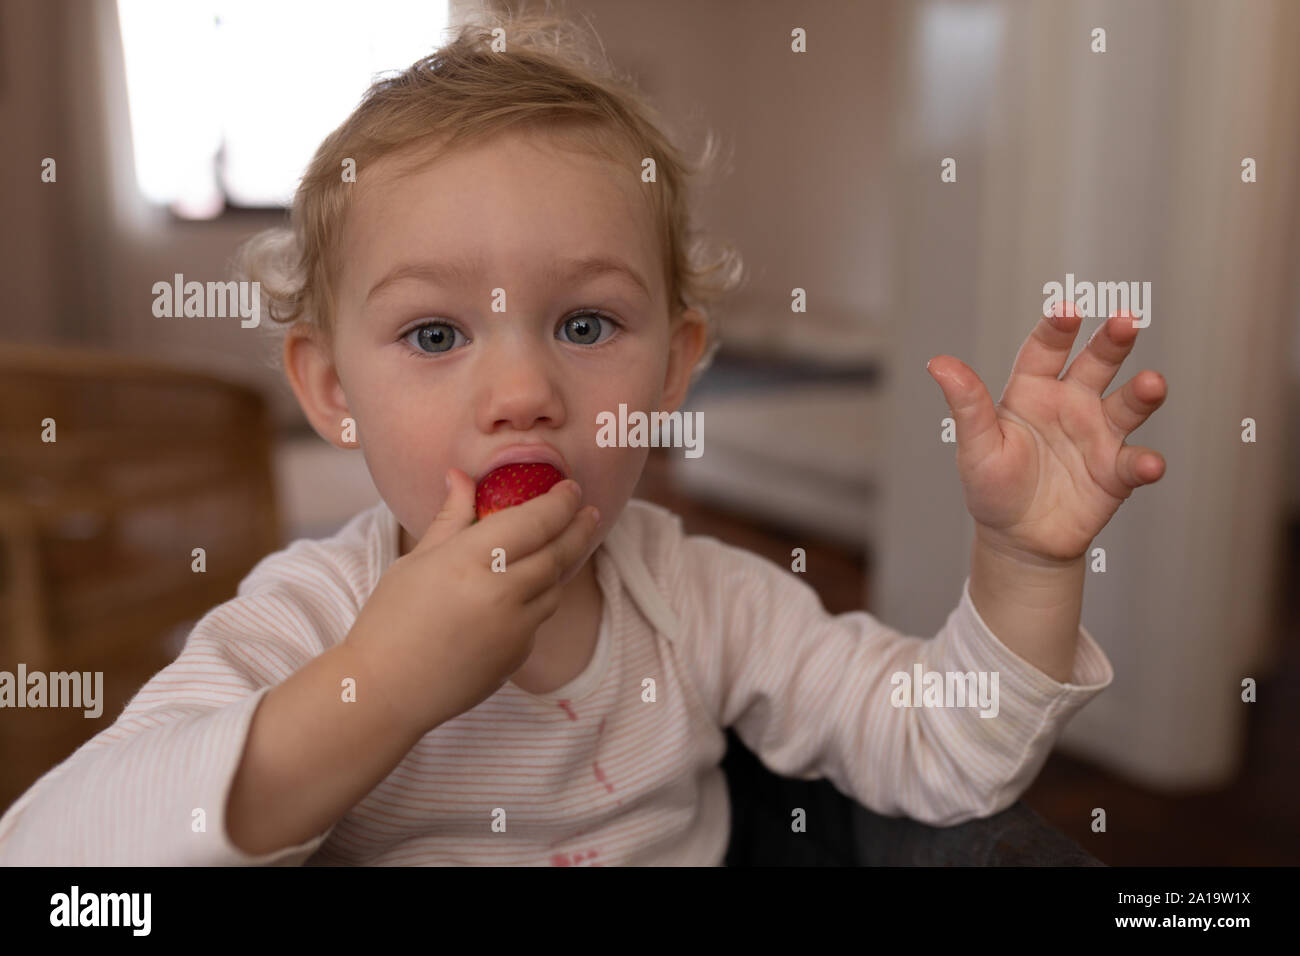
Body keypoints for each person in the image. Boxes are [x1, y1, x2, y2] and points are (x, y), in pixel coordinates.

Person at [0, 12, 1166, 866]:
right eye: (435, 330)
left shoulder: (706, 599)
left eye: (585, 322)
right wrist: (378, 682)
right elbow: (57, 859)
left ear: (671, 366)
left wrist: (1024, 566)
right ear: (328, 385)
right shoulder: (304, 618)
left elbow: (947, 760)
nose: (521, 388)